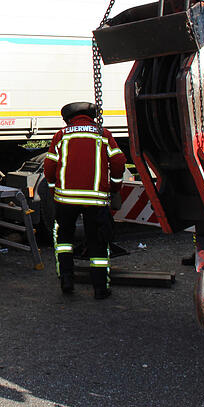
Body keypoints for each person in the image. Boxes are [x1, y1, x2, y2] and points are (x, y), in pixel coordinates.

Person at [44, 101, 126, 299]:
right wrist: (114, 187)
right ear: (92, 116)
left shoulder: (62, 135)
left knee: (64, 240)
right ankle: (100, 288)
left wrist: (55, 189)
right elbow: (118, 162)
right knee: (98, 242)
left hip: (65, 200)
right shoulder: (103, 134)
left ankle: (66, 280)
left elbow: (49, 167)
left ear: (68, 118)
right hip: (95, 201)